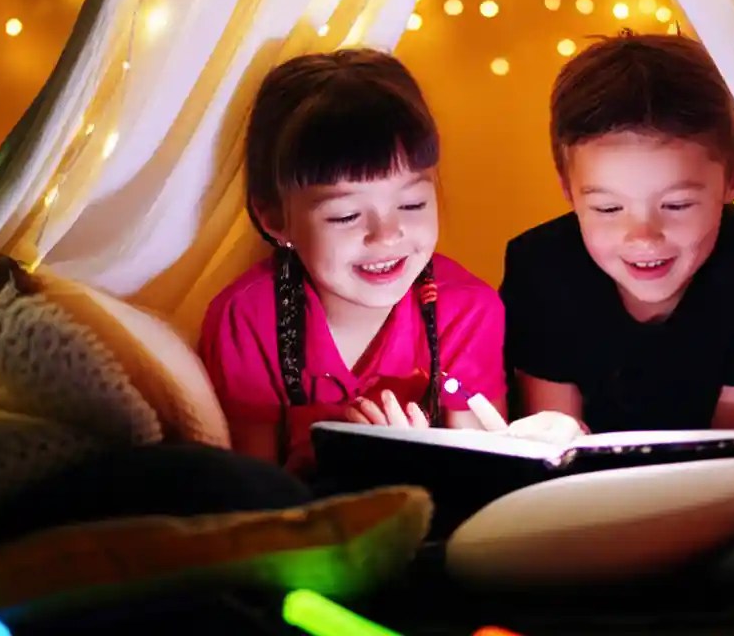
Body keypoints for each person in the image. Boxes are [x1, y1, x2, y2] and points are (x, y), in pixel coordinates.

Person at [199, 48, 508, 476]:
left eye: (413, 203)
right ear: (275, 219)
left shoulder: (467, 311)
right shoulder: (249, 318)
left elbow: (484, 473)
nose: (386, 235)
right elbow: (249, 495)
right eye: (346, 215)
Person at [500, 31, 734, 434]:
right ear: (568, 188)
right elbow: (552, 440)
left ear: (733, 175)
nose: (643, 236)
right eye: (607, 208)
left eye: (676, 205)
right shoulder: (541, 268)